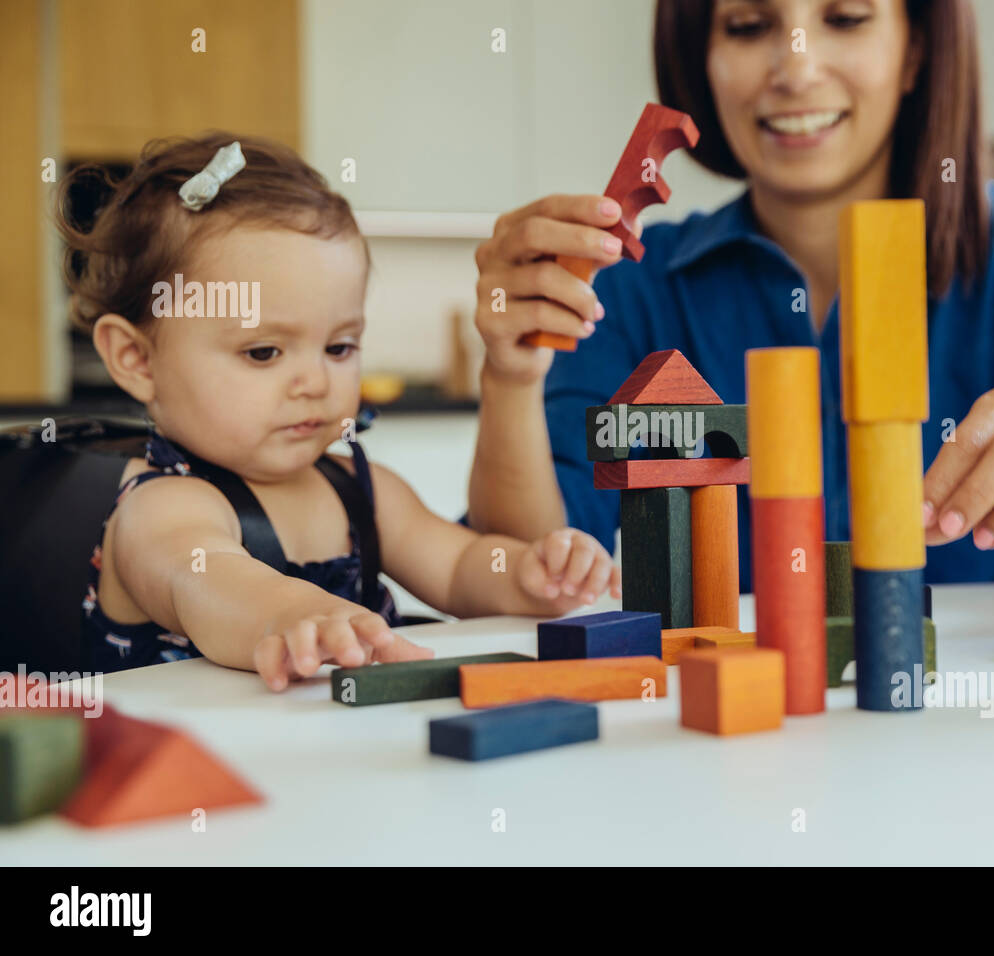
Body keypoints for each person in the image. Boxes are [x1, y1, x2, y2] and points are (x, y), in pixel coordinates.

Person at [468, 0, 994, 597]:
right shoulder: (635, 290)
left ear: (916, 49)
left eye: (846, 16)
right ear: (700, 58)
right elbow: (529, 571)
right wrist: (510, 377)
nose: (795, 67)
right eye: (748, 25)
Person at [58, 132, 620, 690]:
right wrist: (289, 614)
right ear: (137, 359)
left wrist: (530, 574)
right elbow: (207, 583)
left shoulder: (360, 489)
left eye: (339, 347)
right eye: (263, 352)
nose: (315, 381)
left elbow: (459, 567)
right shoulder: (158, 509)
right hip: (193, 772)